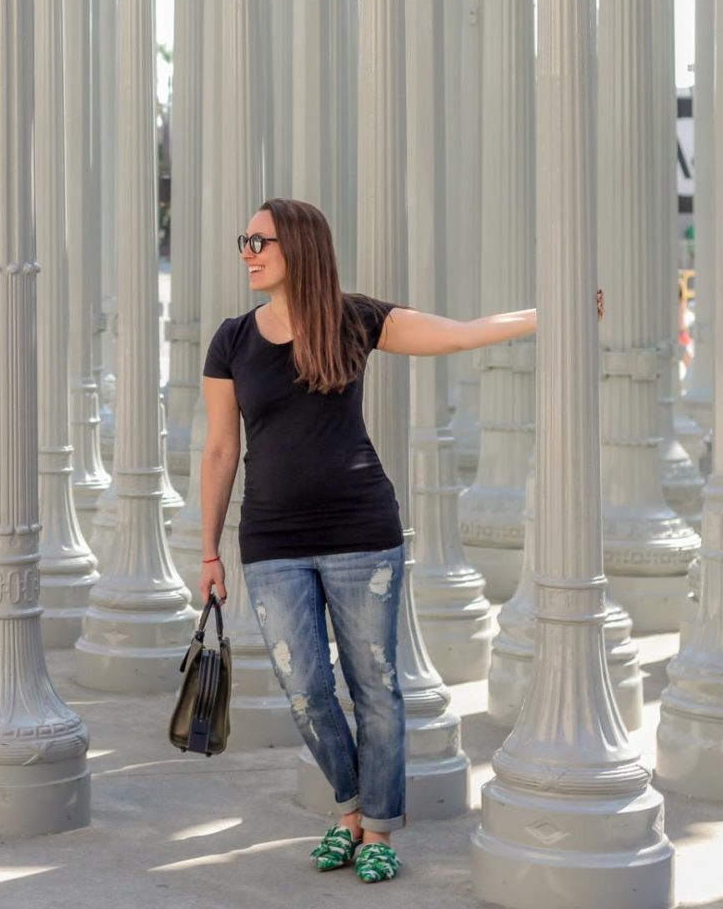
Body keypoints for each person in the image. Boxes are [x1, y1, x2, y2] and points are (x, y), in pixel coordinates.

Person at [200, 198, 596, 885]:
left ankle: (375, 827)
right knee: (305, 687)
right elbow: (218, 449)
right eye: (245, 240)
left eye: (259, 239)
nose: (247, 250)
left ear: (298, 245)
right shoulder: (232, 339)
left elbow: (462, 334)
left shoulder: (355, 319)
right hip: (272, 539)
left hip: (362, 531)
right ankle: (349, 806)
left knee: (376, 684)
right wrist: (207, 552)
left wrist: (550, 312)